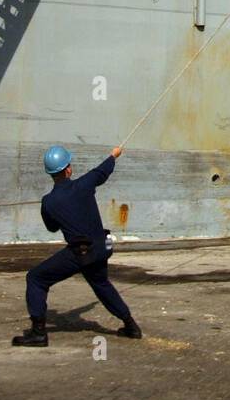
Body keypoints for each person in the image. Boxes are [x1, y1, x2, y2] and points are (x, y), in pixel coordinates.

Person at [12, 145, 142, 347]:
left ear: (51, 173)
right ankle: (131, 325)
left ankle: (38, 332)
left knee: (36, 278)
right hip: (102, 247)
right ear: (68, 169)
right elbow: (102, 171)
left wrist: (55, 209)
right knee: (102, 285)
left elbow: (52, 228)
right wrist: (114, 155)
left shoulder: (48, 202)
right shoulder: (85, 184)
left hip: (82, 252)